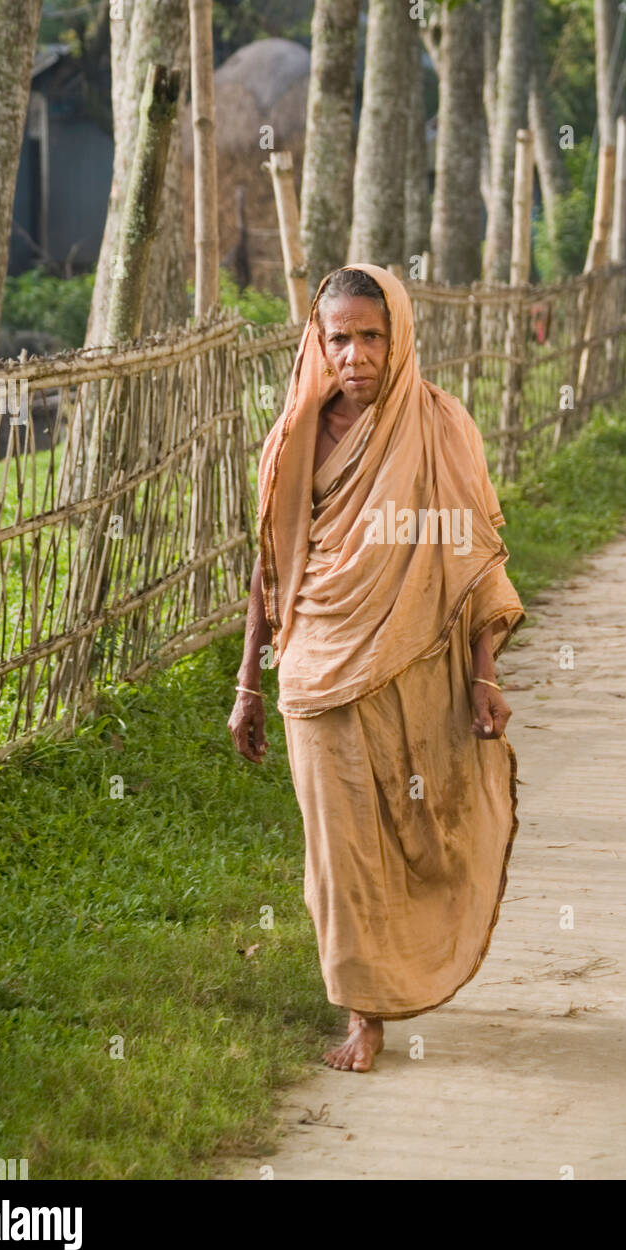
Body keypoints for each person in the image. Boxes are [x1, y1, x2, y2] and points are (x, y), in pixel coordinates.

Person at [228, 264, 524, 1073]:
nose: (355, 355)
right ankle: (364, 1014)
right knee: (338, 848)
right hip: (314, 666)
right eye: (338, 339)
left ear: (396, 339)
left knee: (416, 828)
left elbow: (471, 561)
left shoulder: (439, 426)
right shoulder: (291, 438)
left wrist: (484, 673)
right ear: (315, 346)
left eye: (370, 336)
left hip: (415, 662)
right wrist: (248, 683)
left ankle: (412, 968)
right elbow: (268, 569)